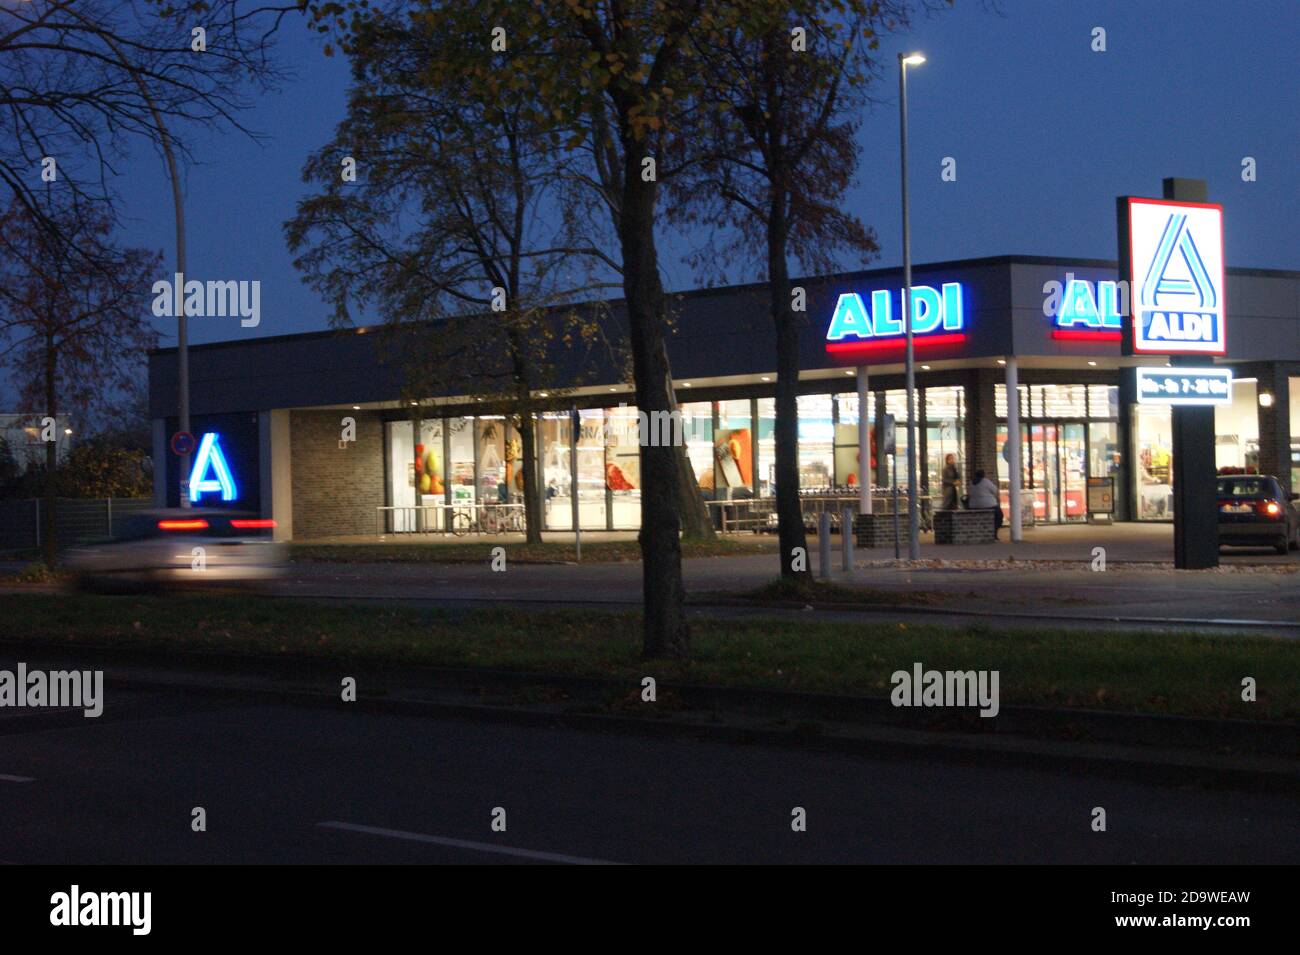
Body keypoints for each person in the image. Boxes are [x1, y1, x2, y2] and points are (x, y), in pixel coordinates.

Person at [968, 469, 1004, 540]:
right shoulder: (986, 481)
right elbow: (995, 490)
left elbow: (969, 493)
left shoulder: (971, 482)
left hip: (973, 505)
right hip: (988, 504)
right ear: (983, 475)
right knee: (999, 516)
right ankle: (994, 534)